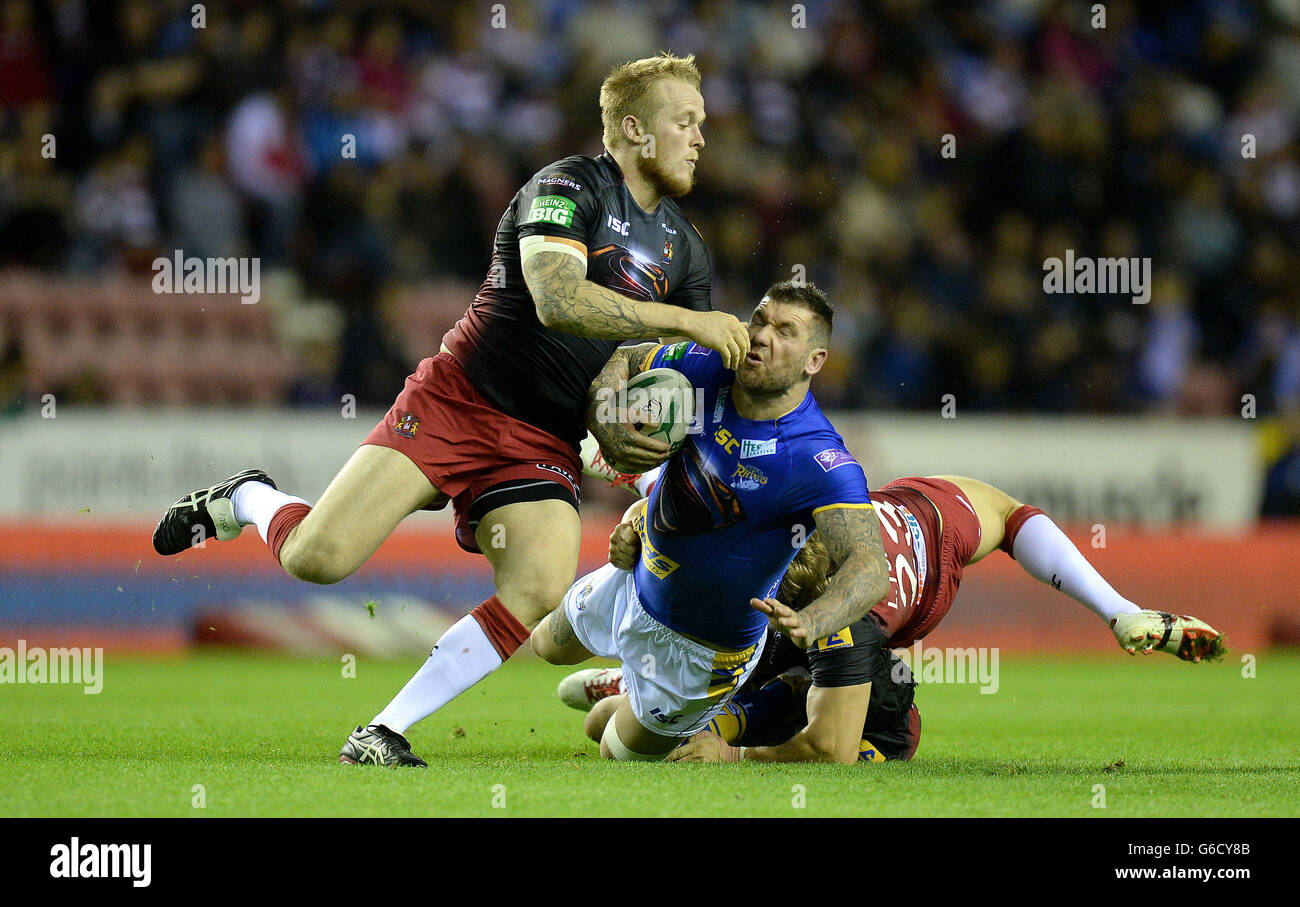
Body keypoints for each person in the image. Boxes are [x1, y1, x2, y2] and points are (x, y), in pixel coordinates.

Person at [150, 53, 751, 766]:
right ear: (633, 129)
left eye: (702, 124)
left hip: (542, 437)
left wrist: (615, 420)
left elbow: (636, 364)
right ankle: (247, 497)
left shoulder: (687, 252)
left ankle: (382, 729)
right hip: (459, 399)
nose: (700, 138)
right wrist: (686, 325)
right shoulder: (566, 186)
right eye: (684, 122)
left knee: (539, 582)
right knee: (319, 558)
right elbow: (557, 297)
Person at [565, 473, 1226, 764]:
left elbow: (832, 748)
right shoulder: (929, 509)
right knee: (634, 714)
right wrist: (1120, 611)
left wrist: (732, 753)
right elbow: (1016, 515)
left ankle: (661, 684)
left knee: (831, 698)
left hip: (848, 642)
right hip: (896, 534)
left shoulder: (847, 617)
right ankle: (646, 678)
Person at [530, 281, 892, 760]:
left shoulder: (817, 457)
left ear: (814, 361)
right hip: (635, 581)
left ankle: (628, 688)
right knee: (543, 646)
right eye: (759, 319)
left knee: (608, 742)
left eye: (785, 331)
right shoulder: (707, 365)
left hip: (699, 654)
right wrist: (611, 424)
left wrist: (812, 619)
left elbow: (871, 567)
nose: (761, 335)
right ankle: (628, 675)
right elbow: (629, 356)